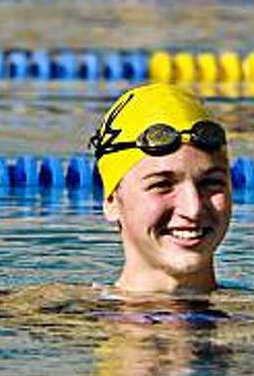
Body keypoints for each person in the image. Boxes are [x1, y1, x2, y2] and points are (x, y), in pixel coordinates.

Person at [90, 83, 232, 295]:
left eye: (211, 183)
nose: (192, 209)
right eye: (162, 185)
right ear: (111, 200)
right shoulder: (58, 318)